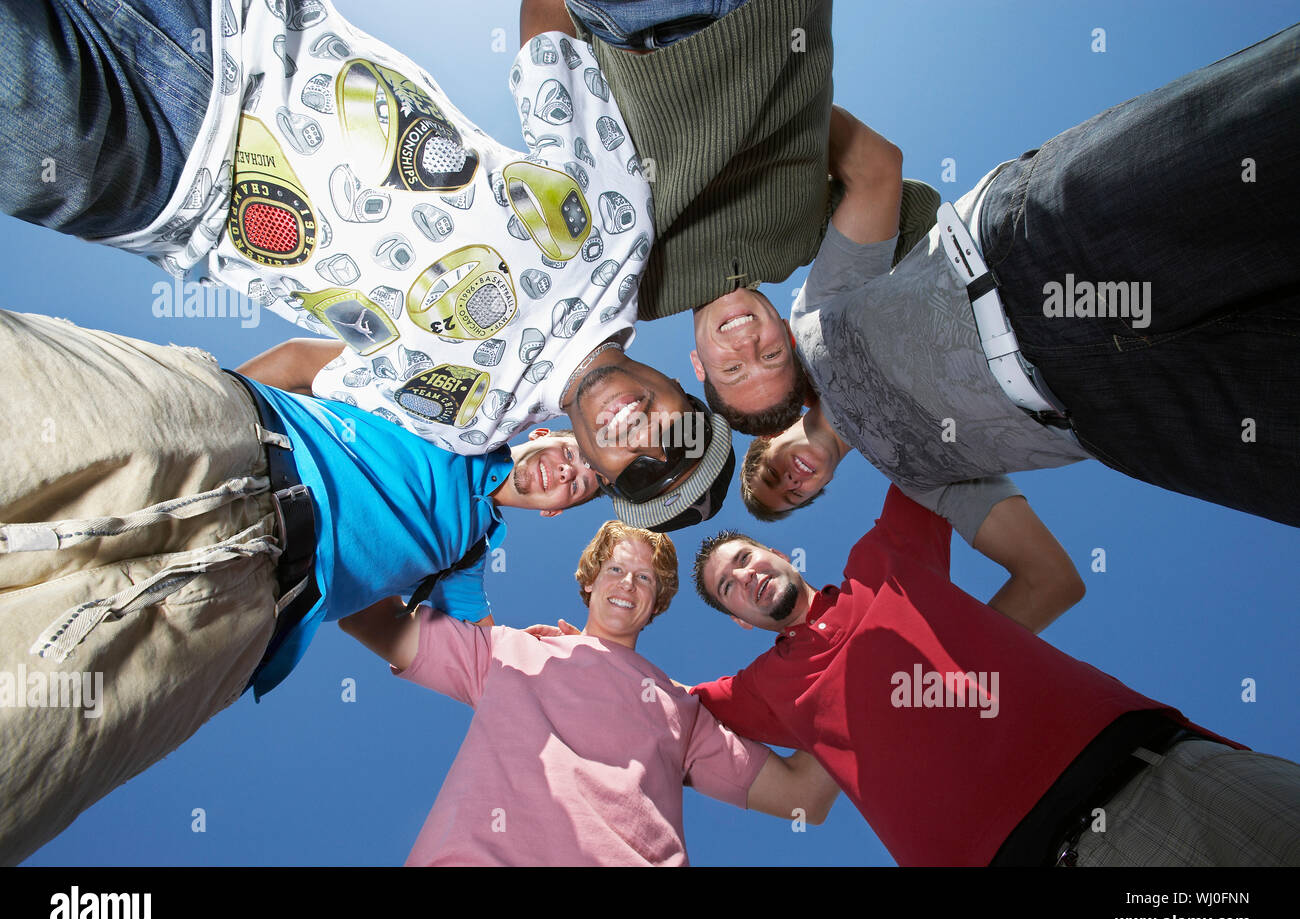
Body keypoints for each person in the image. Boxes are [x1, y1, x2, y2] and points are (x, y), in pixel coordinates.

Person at [0, 0, 734, 530]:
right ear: (678, 384)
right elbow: (552, 33)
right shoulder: (618, 239)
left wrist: (189, 434)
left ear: (602, 476)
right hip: (243, 25)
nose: (641, 433)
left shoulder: (470, 423)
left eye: (638, 467)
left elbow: (297, 364)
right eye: (673, 431)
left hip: (153, 179)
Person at [0, 307, 615, 866]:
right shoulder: (465, 407)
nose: (567, 472)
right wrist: (211, 414)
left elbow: (478, 658)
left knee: (40, 723)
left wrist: (551, 659)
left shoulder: (467, 559)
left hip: (243, 599)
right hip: (234, 440)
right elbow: (300, 360)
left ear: (557, 512)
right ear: (544, 434)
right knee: (28, 415)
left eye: (581, 485)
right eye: (575, 455)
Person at [695, 27, 1300, 538]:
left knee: (1270, 130)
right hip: (1120, 412)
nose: (795, 481)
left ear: (769, 440)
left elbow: (875, 171)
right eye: (797, 497)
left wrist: (756, 107)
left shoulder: (813, 317)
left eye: (775, 475)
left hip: (1034, 254)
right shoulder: (921, 481)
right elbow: (1049, 581)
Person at [689, 487, 1300, 866]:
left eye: (744, 557)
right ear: (740, 621)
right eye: (727, 587)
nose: (744, 576)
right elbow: (643, 707)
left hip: (1157, 773)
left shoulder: (881, 561)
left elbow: (922, 451)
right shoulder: (761, 689)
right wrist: (594, 647)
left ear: (777, 553)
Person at [340, 520, 840, 865]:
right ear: (590, 580)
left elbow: (804, 798)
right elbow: (367, 615)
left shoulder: (682, 708)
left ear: (657, 603)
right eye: (617, 569)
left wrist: (846, 660)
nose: (628, 583)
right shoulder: (506, 651)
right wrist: (431, 525)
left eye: (645, 578)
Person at [525, 0, 942, 322]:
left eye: (733, 371)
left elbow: (549, 86)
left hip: (644, 22)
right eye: (773, 357)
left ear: (698, 364)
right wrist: (771, 108)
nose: (748, 350)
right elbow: (908, 203)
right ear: (785, 332)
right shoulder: (798, 243)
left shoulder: (631, 290)